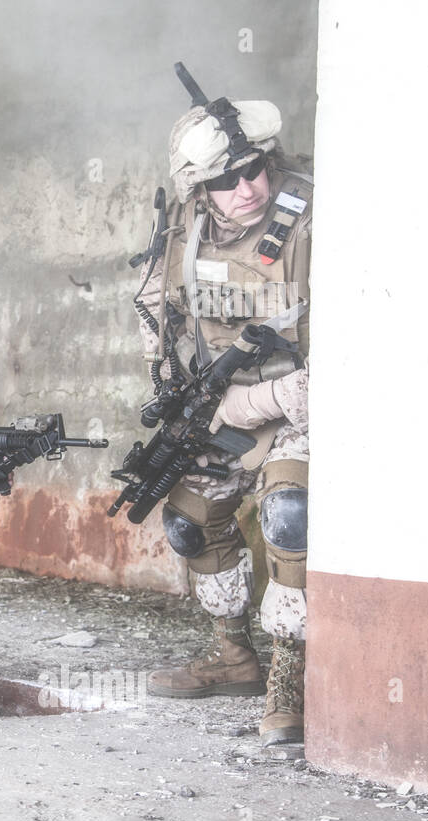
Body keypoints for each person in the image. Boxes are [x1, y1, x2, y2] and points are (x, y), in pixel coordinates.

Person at [134, 77, 312, 745]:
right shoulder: (187, 229)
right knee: (187, 517)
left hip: (303, 405)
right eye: (228, 180)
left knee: (288, 513)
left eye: (256, 169)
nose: (249, 188)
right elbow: (156, 307)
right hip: (225, 410)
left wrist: (256, 399)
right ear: (198, 190)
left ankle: (290, 674)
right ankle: (233, 655)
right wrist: (172, 381)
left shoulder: (311, 223)